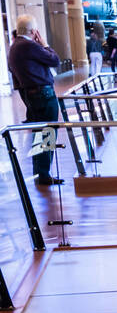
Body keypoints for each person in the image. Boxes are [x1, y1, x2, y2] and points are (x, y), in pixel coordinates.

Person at [6, 15, 62, 186]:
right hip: (43, 94)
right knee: (48, 132)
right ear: (33, 31)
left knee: (39, 133)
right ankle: (44, 173)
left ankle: (40, 172)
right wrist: (44, 44)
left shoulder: (14, 47)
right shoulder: (29, 45)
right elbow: (55, 60)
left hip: (31, 95)